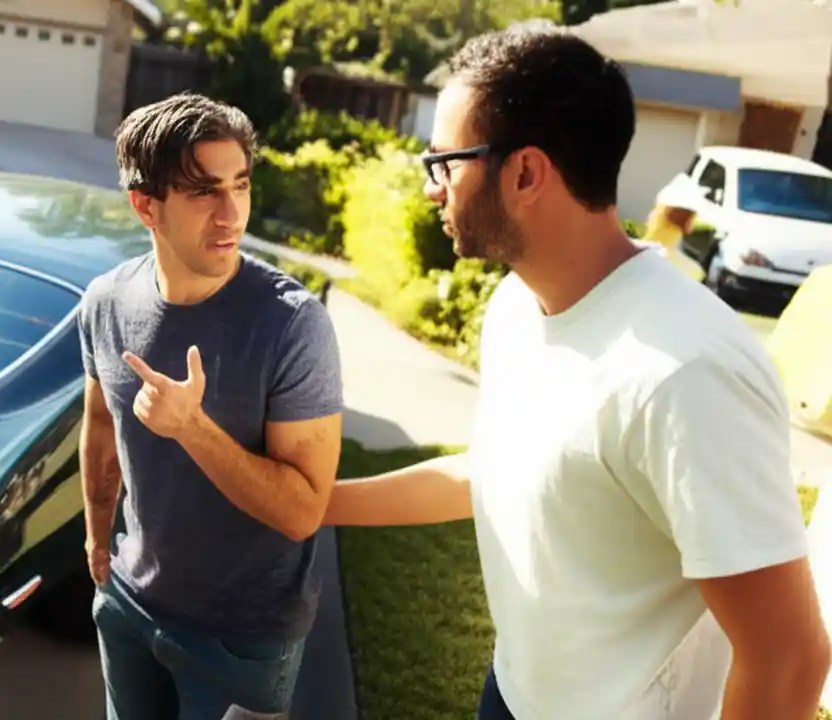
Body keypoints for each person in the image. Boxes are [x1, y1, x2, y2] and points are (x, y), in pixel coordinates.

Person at [322, 23, 831, 720]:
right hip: (508, 695)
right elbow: (502, 468)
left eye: (446, 161)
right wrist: (318, 505)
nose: (433, 188)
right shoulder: (515, 305)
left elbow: (788, 657)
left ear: (526, 173)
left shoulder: (688, 372)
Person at [77, 92, 344, 719]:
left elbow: (303, 511)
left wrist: (193, 428)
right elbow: (98, 423)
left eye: (240, 186)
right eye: (203, 192)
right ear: (147, 205)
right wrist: (96, 536)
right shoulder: (105, 304)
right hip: (131, 606)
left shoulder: (292, 324)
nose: (231, 214)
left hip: (242, 639)